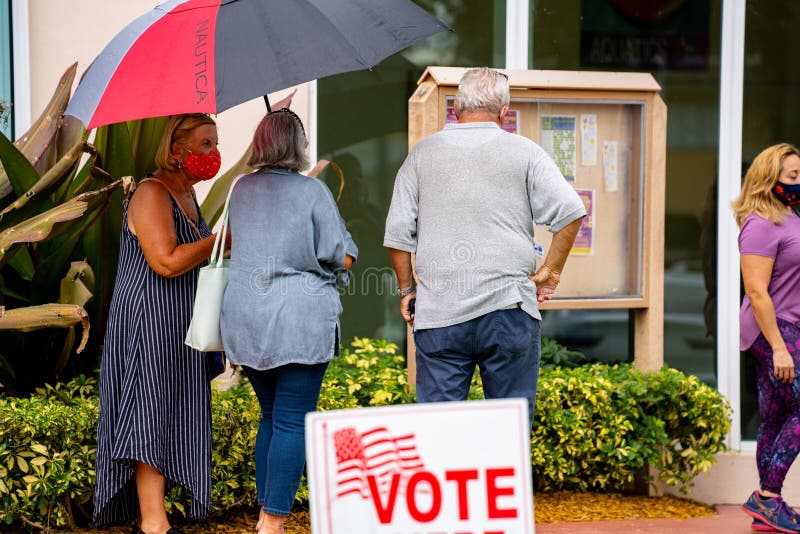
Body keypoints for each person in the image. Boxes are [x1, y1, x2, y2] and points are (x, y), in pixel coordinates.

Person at [384, 67, 586, 425]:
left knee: (439, 431)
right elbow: (571, 212)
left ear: (456, 108)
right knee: (508, 432)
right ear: (504, 112)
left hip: (440, 313)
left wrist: (407, 290)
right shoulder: (526, 152)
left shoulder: (422, 154)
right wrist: (551, 273)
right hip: (508, 310)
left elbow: (398, 235)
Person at [220, 108, 357, 534]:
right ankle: (273, 522)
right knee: (293, 419)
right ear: (297, 145)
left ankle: (267, 515)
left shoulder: (240, 189)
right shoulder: (312, 191)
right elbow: (338, 255)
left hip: (246, 317)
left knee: (271, 417)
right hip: (298, 318)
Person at [93, 113, 225, 533]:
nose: (214, 154)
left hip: (178, 324)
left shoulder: (188, 195)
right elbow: (165, 262)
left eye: (215, 143)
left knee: (171, 411)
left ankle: (156, 517)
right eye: (205, 145)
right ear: (176, 150)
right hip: (147, 322)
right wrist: (221, 241)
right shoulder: (152, 192)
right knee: (148, 412)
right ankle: (153, 524)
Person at [734, 143, 800, 533]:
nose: (799, 182)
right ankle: (768, 497)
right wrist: (779, 348)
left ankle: (766, 508)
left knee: (775, 415)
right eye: (792, 176)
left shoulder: (791, 216)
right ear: (769, 178)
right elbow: (757, 292)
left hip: (790, 325)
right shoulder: (760, 224)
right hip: (771, 328)